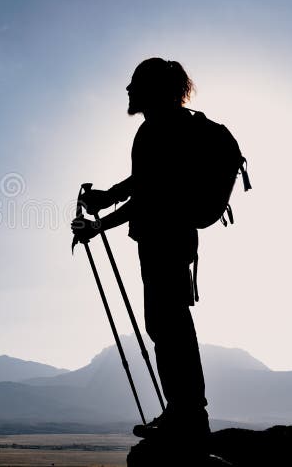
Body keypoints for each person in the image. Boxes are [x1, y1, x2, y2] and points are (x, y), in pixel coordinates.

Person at [71, 58, 210, 443]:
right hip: (169, 239)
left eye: (134, 84)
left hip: (164, 239)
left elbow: (150, 196)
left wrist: (100, 224)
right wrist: (108, 198)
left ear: (151, 88)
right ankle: (184, 413)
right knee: (168, 325)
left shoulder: (158, 130)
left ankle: (186, 417)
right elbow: (144, 183)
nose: (129, 91)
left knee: (168, 327)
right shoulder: (164, 127)